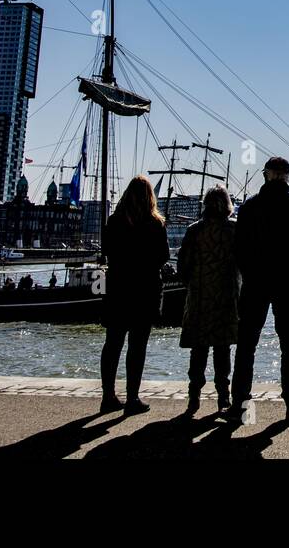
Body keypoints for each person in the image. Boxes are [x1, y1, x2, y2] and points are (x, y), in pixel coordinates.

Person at [224, 156, 289, 423]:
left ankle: (239, 404)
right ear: (288, 176)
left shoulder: (250, 207)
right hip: (288, 283)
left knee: (247, 345)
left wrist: (250, 272)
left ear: (266, 175)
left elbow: (239, 248)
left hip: (255, 283)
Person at [99, 175, 170, 416]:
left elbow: (106, 251)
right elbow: (163, 257)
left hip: (118, 288)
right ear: (151, 197)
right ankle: (132, 398)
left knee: (112, 344)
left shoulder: (115, 221)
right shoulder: (155, 224)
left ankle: (107, 396)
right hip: (145, 290)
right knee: (137, 346)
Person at [177, 185, 240, 415]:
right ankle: (223, 398)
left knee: (198, 351)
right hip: (226, 297)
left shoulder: (194, 230)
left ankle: (193, 398)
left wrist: (192, 283)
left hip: (199, 297)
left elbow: (182, 266)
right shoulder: (234, 230)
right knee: (223, 351)